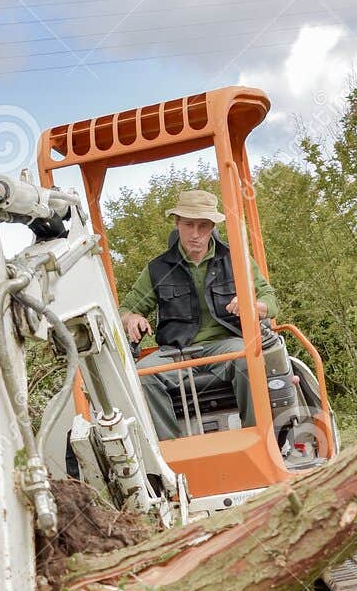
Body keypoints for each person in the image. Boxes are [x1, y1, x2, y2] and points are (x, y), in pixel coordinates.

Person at [119, 188, 277, 440]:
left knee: (248, 359)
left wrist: (255, 305)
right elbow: (125, 310)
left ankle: (259, 440)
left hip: (225, 345)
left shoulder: (236, 259)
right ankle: (170, 455)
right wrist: (132, 318)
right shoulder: (157, 269)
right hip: (176, 352)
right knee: (142, 377)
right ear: (177, 223)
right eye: (189, 224)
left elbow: (270, 298)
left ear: (213, 226)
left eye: (203, 226)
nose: (195, 234)